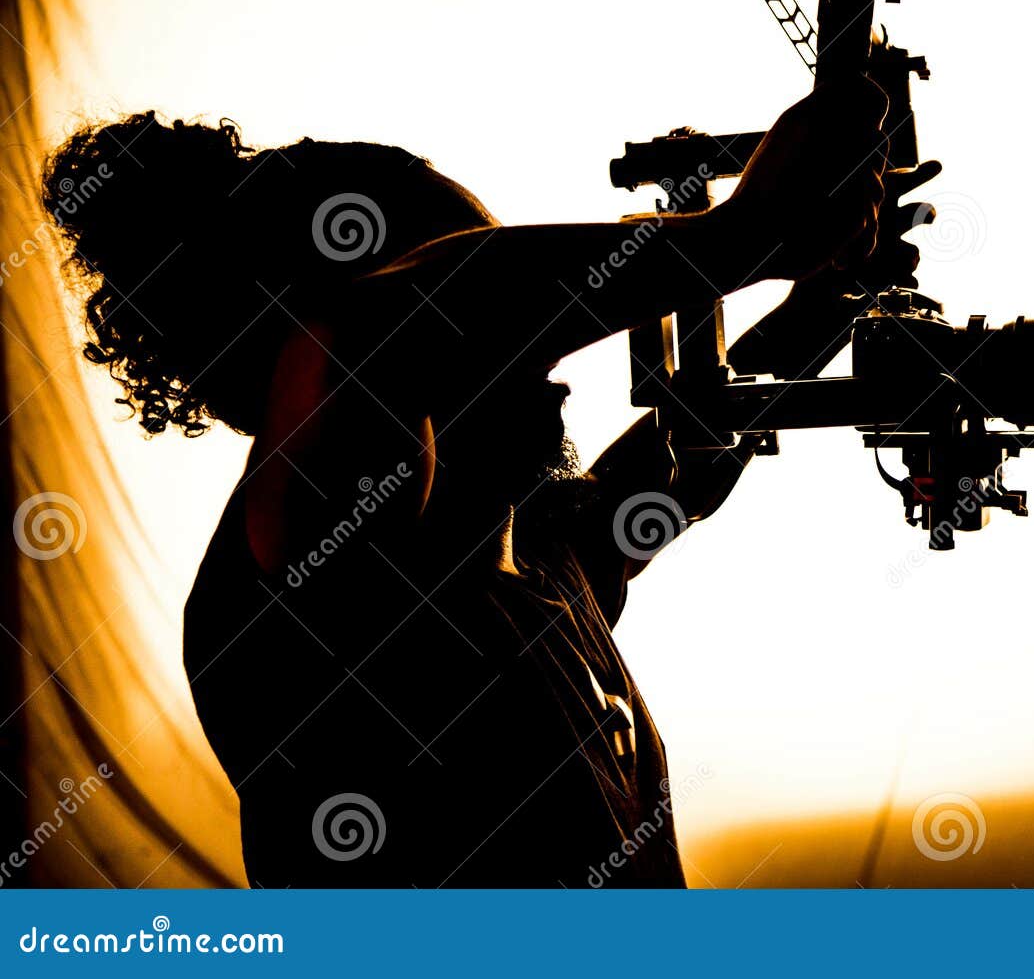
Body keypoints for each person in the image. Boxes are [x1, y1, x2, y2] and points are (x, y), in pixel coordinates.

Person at [43, 79, 939, 886]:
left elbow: (675, 474)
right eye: (506, 305)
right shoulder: (307, 573)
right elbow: (376, 328)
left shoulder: (533, 555)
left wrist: (818, 307)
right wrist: (737, 238)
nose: (549, 340)